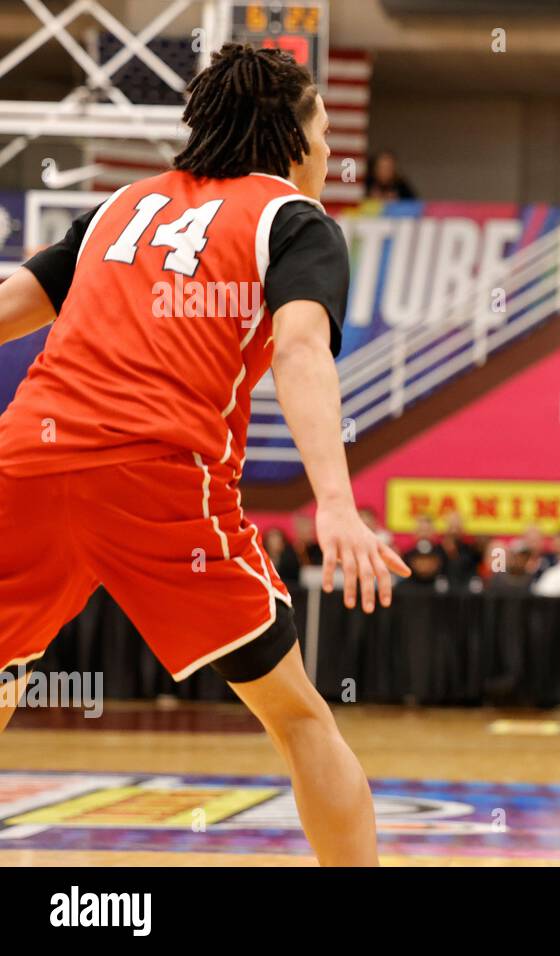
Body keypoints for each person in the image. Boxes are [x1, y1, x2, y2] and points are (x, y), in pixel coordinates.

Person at [0, 45, 411, 866]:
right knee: (297, 718)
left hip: (24, 466)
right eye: (326, 130)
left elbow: (14, 301)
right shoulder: (293, 219)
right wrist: (334, 501)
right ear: (293, 139)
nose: (333, 150)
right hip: (158, 481)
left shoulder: (123, 206)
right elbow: (300, 352)